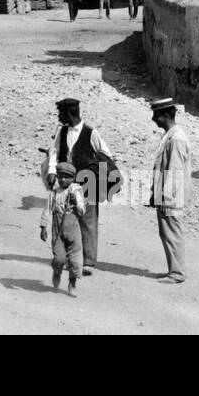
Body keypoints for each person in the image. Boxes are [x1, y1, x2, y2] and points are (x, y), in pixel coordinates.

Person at [49, 97, 117, 275]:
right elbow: (55, 152)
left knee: (88, 221)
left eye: (60, 113)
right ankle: (71, 258)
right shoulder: (61, 132)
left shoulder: (91, 133)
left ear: (69, 113)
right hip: (67, 185)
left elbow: (106, 155)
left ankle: (88, 262)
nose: (58, 117)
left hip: (88, 185)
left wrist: (95, 173)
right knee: (67, 221)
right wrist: (51, 171)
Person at [147, 98, 190, 284]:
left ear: (165, 116)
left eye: (156, 115)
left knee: (172, 232)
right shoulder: (170, 135)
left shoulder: (177, 138)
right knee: (167, 232)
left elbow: (175, 171)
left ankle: (177, 273)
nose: (153, 119)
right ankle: (173, 270)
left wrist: (164, 196)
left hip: (172, 195)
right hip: (166, 193)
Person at [39, 161, 86, 296]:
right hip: (57, 228)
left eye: (67, 177)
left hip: (73, 228)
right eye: (60, 177)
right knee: (59, 258)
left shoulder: (76, 190)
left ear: (72, 178)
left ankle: (72, 283)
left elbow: (82, 211)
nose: (63, 179)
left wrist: (76, 203)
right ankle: (57, 270)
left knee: (75, 259)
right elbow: (47, 209)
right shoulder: (54, 193)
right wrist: (43, 226)